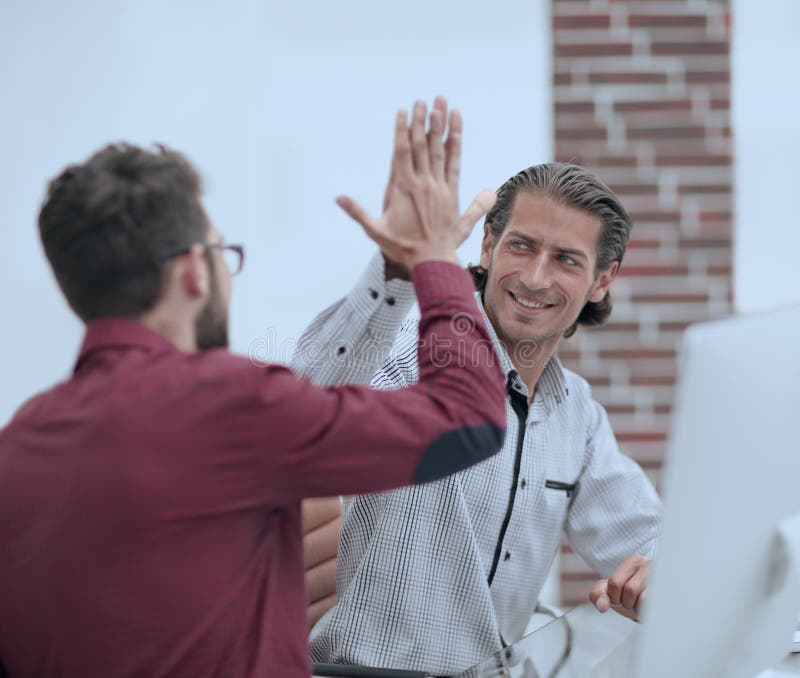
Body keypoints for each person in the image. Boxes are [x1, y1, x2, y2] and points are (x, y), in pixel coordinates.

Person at [0, 100, 507, 677]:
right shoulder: (233, 405)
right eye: (223, 255)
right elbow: (468, 418)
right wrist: (436, 257)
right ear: (194, 270)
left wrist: (394, 266)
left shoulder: (17, 447)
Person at [304, 160, 663, 675]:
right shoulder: (410, 360)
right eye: (522, 246)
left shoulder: (575, 414)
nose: (535, 278)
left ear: (601, 281)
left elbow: (647, 537)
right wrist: (400, 268)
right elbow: (305, 400)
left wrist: (660, 572)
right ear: (488, 246)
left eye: (565, 259)